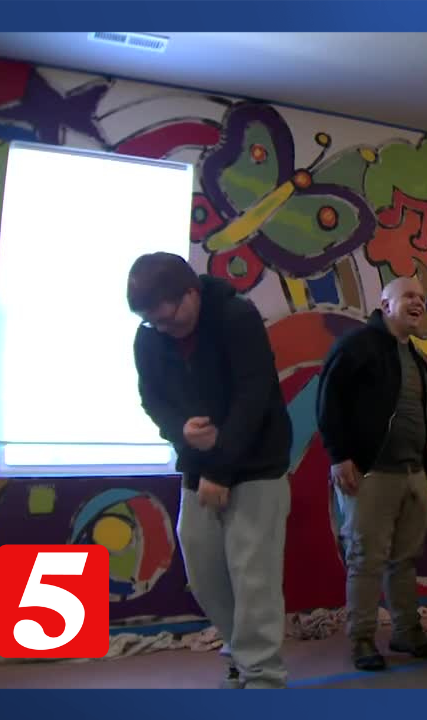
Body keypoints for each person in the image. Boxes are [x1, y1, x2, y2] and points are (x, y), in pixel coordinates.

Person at [128, 252, 293, 690]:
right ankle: (239, 654)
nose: (165, 328)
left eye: (171, 318)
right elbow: (153, 400)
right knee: (203, 570)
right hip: (198, 467)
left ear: (191, 294)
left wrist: (220, 468)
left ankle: (262, 677)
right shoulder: (149, 338)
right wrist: (178, 429)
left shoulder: (236, 317)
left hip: (258, 463)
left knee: (252, 574)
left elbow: (253, 396)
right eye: (154, 322)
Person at [316, 277, 427, 671]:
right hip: (370, 475)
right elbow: (328, 400)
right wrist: (340, 457)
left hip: (412, 473)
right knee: (365, 559)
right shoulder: (357, 346)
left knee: (404, 559)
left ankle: (406, 630)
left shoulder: (417, 358)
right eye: (408, 296)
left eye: (421, 298)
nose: (417, 303)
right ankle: (363, 639)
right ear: (385, 305)